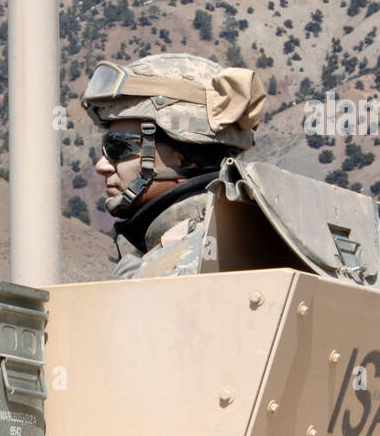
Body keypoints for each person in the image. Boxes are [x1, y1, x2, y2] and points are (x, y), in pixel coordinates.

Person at [82, 53, 265, 278]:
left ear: (184, 157)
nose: (102, 165)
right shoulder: (230, 241)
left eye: (118, 148)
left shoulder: (187, 263)